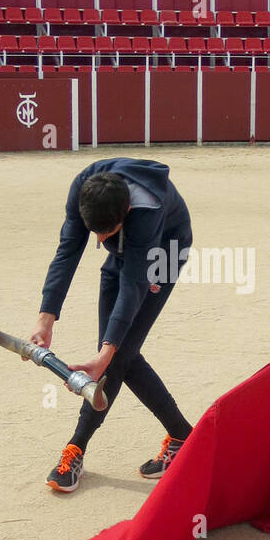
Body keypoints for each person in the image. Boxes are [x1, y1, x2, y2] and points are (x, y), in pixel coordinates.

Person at [30, 157, 194, 492]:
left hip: (164, 252)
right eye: (97, 233)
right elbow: (67, 251)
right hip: (127, 249)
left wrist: (106, 351)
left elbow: (134, 282)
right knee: (121, 355)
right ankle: (183, 437)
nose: (100, 238)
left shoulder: (146, 210)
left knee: (117, 356)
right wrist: (46, 319)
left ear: (126, 213)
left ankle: (76, 447)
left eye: (107, 232)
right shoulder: (84, 190)